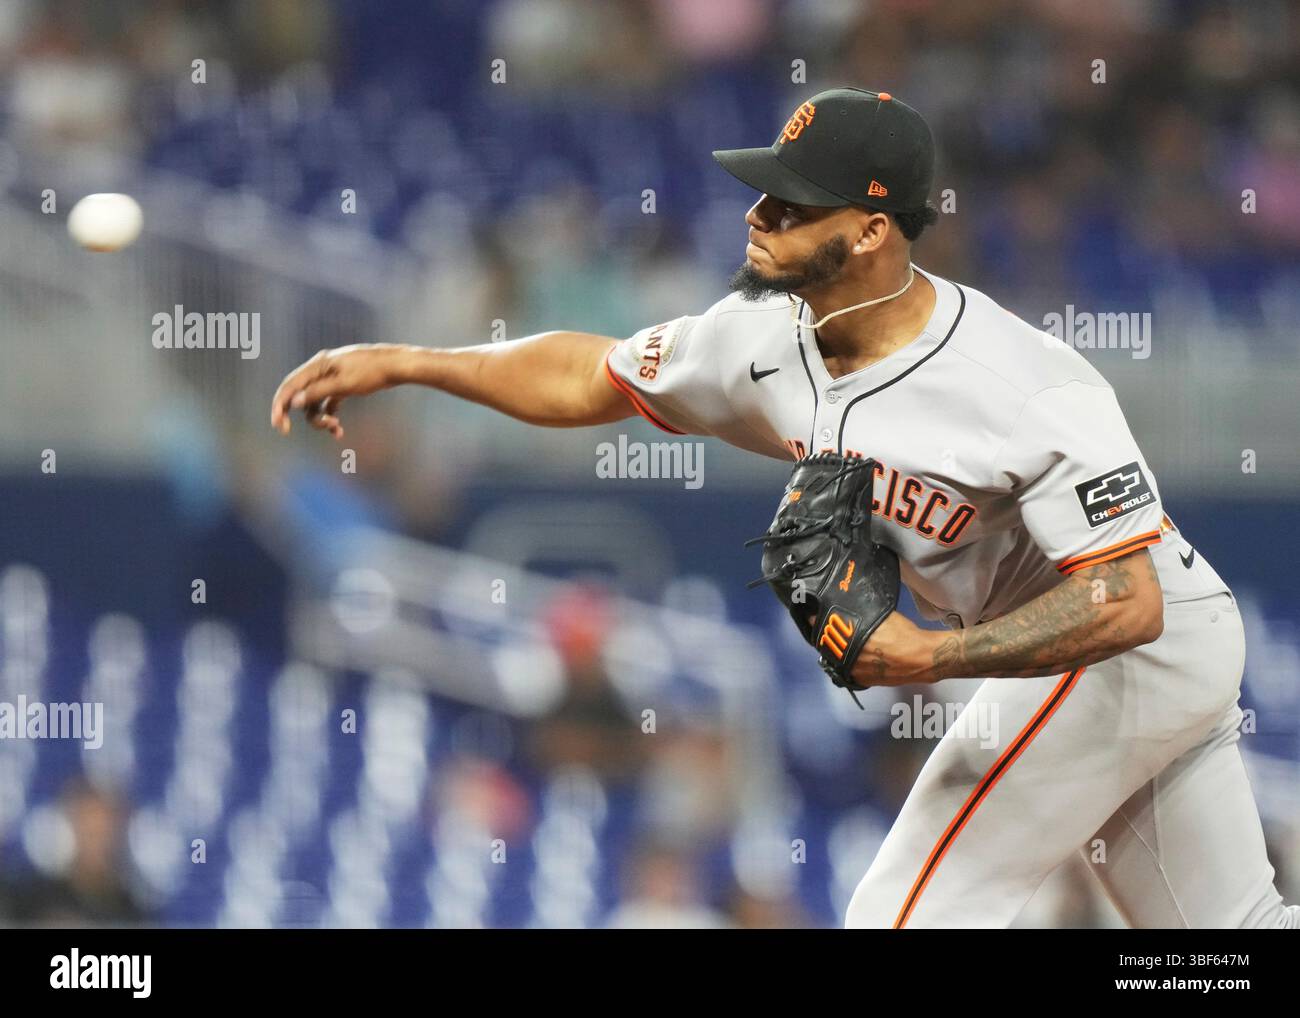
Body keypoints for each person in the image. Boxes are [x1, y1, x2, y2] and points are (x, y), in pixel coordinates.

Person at [271, 87, 1297, 930]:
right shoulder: (758, 343)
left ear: (872, 229)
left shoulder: (1027, 384)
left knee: (904, 914)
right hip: (1105, 654)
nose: (758, 217)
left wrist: (926, 660)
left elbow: (1125, 599)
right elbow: (587, 376)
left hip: (1132, 644)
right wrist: (407, 360)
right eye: (765, 194)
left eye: (791, 204)